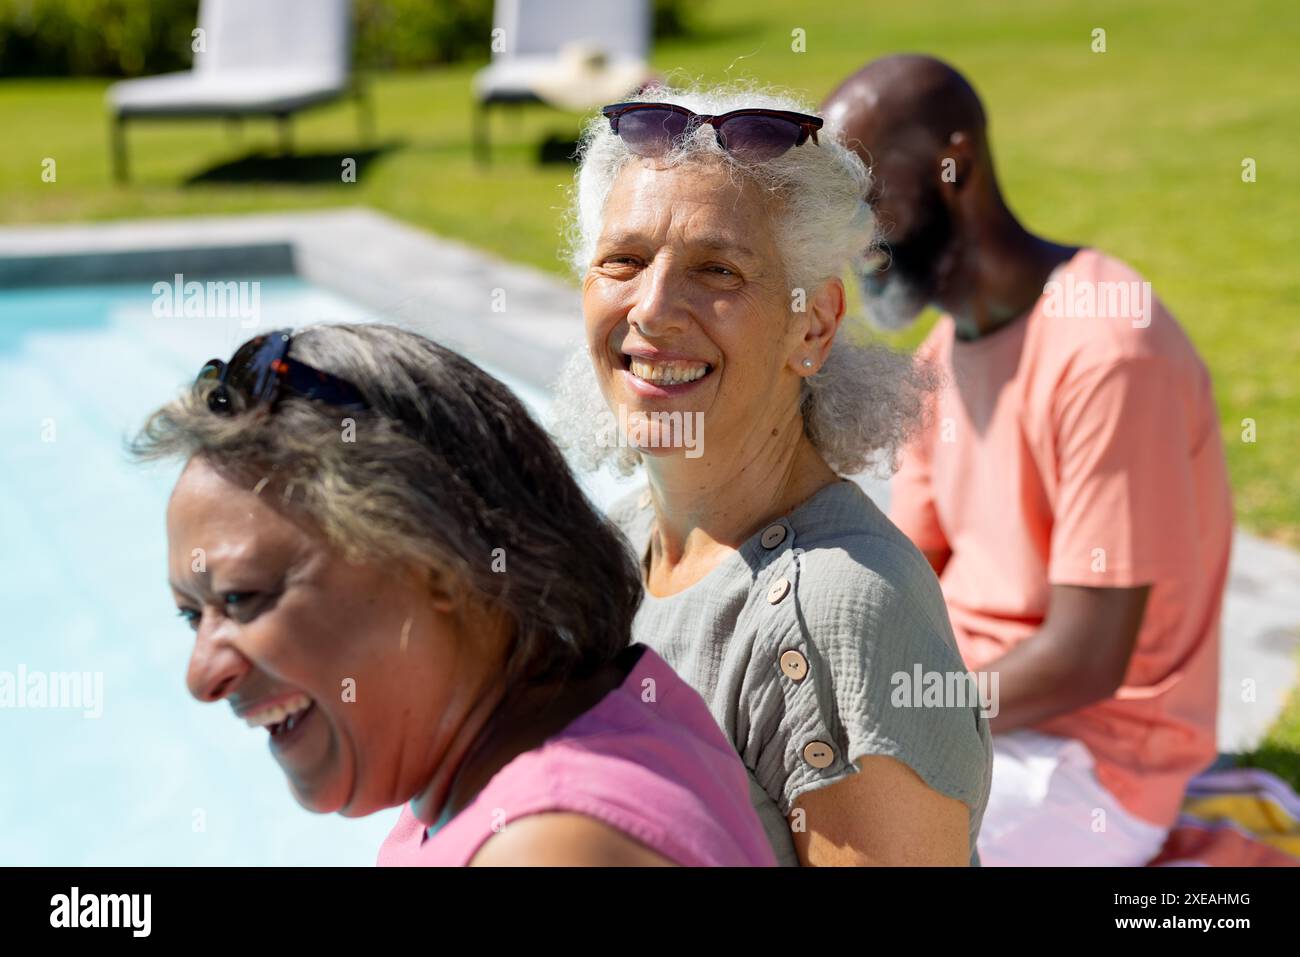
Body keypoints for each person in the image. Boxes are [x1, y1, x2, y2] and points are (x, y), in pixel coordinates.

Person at [132, 323, 777, 867]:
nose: (203, 675)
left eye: (241, 599)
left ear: (434, 560)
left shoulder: (552, 847)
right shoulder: (592, 724)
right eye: (192, 614)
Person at [553, 85, 992, 866]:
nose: (652, 310)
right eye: (623, 260)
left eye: (717, 270)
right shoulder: (612, 546)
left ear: (814, 325)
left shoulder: (838, 612)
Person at [822, 54, 1233, 865]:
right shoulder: (945, 353)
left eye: (866, 198)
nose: (850, 235)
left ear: (956, 166)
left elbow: (1086, 659)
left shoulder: (1109, 347)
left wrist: (902, 707)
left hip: (1090, 763)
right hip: (967, 717)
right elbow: (906, 573)